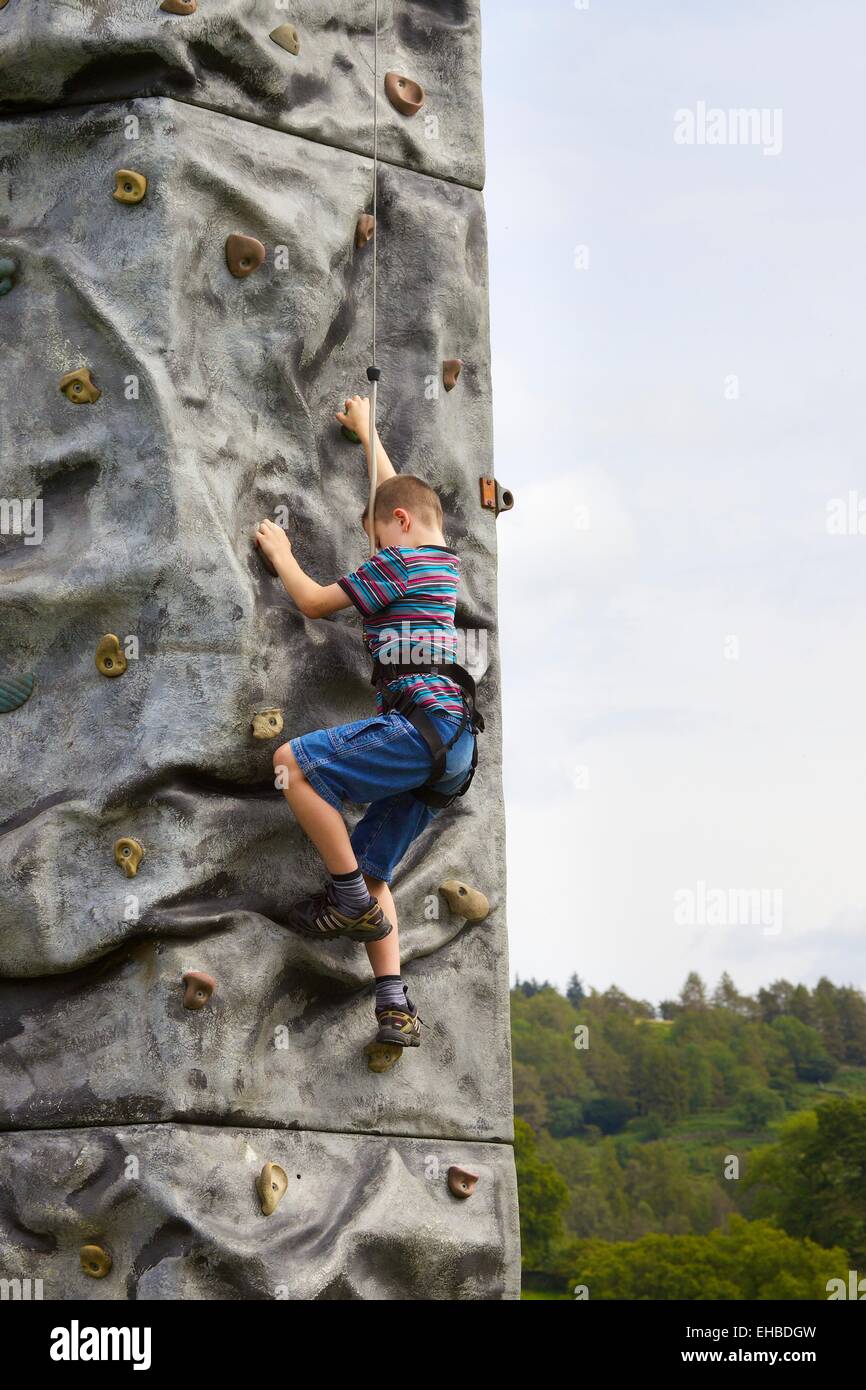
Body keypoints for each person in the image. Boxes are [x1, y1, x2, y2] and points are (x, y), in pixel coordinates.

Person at [254, 395, 481, 1054]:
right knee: (379, 867)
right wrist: (369, 433)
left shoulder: (395, 563)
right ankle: (394, 1003)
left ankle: (346, 896)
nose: (371, 550)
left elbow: (314, 601)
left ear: (398, 529)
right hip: (455, 749)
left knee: (292, 766)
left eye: (376, 538)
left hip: (417, 727)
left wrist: (280, 549)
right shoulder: (440, 564)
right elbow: (396, 500)